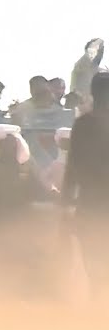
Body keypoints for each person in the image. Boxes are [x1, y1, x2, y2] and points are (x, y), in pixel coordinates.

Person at [62, 72, 109, 293]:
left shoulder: (82, 124)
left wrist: (66, 202)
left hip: (90, 204)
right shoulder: (83, 124)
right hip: (92, 205)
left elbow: (73, 167)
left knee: (95, 269)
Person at [71, 39, 105, 115]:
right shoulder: (81, 66)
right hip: (84, 108)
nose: (100, 53)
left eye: (102, 50)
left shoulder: (98, 69)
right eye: (98, 50)